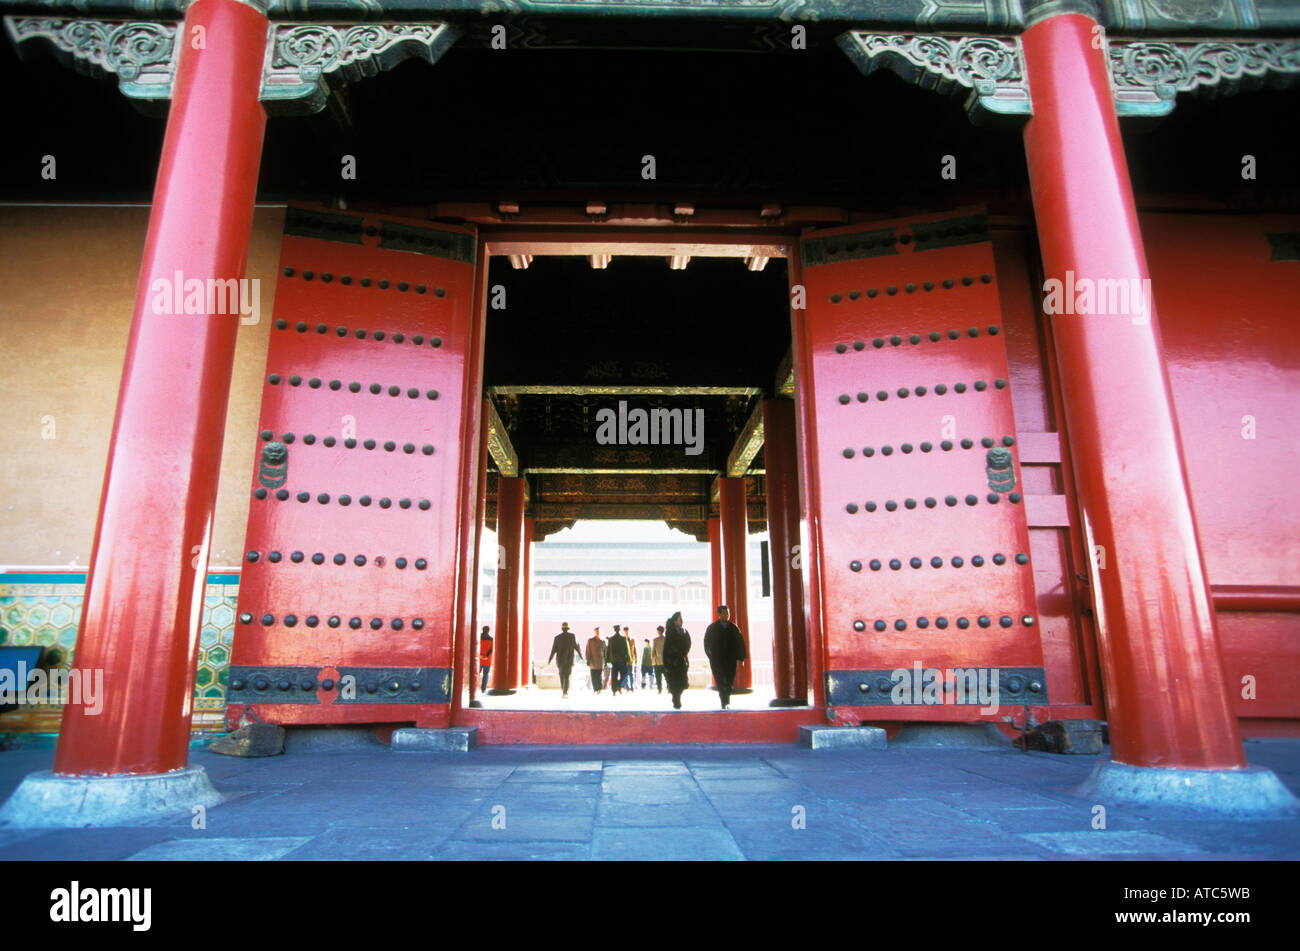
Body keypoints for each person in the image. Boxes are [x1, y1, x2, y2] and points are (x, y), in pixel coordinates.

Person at [704, 605, 748, 710]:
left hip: (731, 660)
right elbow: (706, 643)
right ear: (719, 614)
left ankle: (726, 698)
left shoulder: (733, 628)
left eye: (727, 613)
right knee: (719, 680)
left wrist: (741, 657)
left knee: (729, 680)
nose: (726, 615)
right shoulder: (712, 628)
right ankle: (723, 700)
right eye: (723, 613)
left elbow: (740, 643)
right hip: (717, 660)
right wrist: (711, 656)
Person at [662, 611, 691, 710]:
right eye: (679, 619)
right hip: (673, 662)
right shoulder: (670, 633)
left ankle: (677, 697)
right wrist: (667, 662)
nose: (681, 621)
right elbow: (666, 648)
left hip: (682, 661)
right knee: (675, 682)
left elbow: (688, 644)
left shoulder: (684, 631)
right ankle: (676, 699)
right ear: (675, 621)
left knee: (682, 683)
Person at [548, 621, 583, 698]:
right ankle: (565, 692)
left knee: (562, 675)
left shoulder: (557, 638)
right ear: (568, 628)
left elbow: (553, 650)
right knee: (566, 676)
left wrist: (550, 659)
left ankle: (563, 691)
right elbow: (577, 648)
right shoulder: (572, 636)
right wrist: (581, 656)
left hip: (560, 661)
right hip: (569, 660)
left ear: (562, 629)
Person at [606, 626, 631, 696]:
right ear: (619, 630)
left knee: (614, 675)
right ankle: (620, 685)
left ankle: (614, 690)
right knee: (625, 674)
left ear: (614, 630)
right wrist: (629, 659)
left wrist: (608, 659)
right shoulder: (623, 639)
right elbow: (627, 649)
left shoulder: (611, 639)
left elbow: (608, 650)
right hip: (622, 660)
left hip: (614, 660)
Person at [585, 627, 606, 692]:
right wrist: (587, 659)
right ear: (594, 632)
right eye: (596, 631)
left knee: (599, 676)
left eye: (599, 631)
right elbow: (587, 651)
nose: (598, 633)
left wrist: (606, 661)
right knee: (593, 676)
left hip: (600, 662)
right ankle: (595, 689)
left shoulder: (603, 641)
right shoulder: (590, 640)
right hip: (592, 662)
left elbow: (605, 652)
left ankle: (599, 689)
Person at [478, 626, 493, 692]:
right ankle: (483, 689)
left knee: (476, 673)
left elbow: (477, 647)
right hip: (487, 659)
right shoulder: (491, 639)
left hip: (480, 658)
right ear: (488, 631)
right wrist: (486, 656)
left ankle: (475, 686)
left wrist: (480, 655)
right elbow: (491, 649)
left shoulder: (479, 638)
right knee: (486, 674)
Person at [651, 626, 665, 693]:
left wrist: (653, 660)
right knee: (667, 676)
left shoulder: (655, 640)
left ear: (658, 631)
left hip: (657, 662)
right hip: (665, 662)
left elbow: (653, 652)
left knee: (658, 677)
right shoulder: (666, 639)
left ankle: (660, 689)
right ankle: (669, 688)